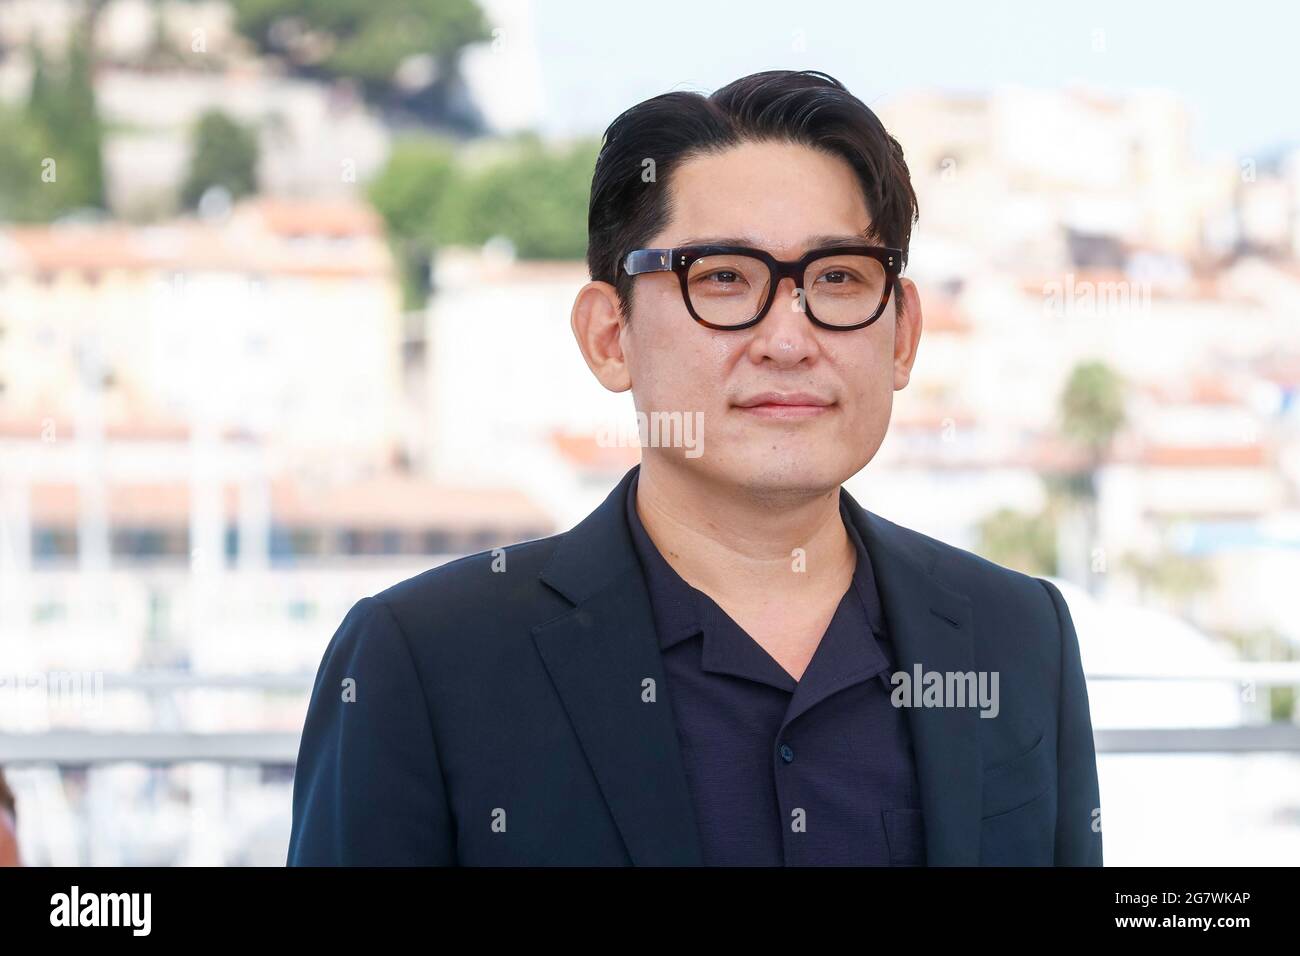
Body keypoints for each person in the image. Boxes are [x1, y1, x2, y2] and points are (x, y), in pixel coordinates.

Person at [287, 69, 1102, 866]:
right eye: (722, 278)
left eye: (840, 279)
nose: (788, 339)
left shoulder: (1017, 635)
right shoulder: (426, 660)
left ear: (903, 334)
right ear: (611, 336)